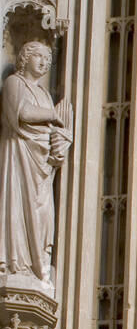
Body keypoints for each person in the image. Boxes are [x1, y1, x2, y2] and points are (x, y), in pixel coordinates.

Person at [0, 41, 71, 289]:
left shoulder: (44, 94)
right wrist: (54, 116)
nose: (43, 62)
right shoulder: (13, 83)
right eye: (38, 56)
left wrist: (61, 144)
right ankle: (15, 263)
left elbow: (53, 134)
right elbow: (23, 113)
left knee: (43, 218)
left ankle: (38, 268)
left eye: (47, 59)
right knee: (19, 210)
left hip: (42, 170)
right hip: (19, 159)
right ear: (24, 58)